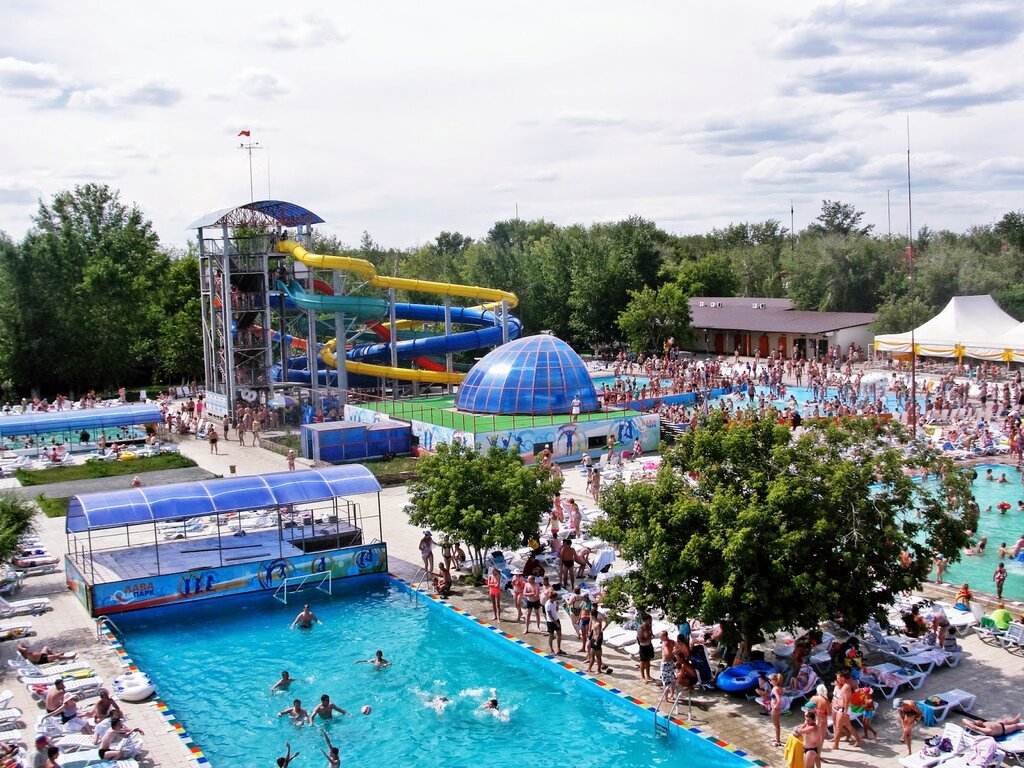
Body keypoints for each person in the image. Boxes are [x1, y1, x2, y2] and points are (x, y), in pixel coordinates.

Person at [831, 670, 861, 750]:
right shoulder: (841, 686)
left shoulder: (846, 687)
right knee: (848, 725)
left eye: (838, 678)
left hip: (844, 709)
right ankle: (858, 740)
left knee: (838, 727)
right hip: (840, 708)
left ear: (843, 678)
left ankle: (836, 745)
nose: (837, 679)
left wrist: (845, 711)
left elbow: (847, 700)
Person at [636, 615, 655, 684]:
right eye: (650, 620)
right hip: (643, 646)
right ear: (646, 620)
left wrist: (651, 636)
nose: (651, 621)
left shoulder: (649, 626)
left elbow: (651, 633)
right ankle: (642, 677)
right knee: (643, 661)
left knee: (648, 660)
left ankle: (648, 675)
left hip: (649, 645)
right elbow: (641, 640)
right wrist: (649, 638)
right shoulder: (641, 629)